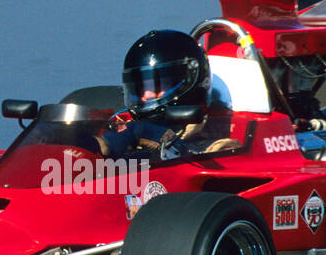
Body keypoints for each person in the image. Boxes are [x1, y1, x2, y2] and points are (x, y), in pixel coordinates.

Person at [100, 30, 237, 159]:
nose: (147, 95)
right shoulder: (120, 128)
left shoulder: (220, 149)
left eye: (158, 85)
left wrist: (151, 135)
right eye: (141, 88)